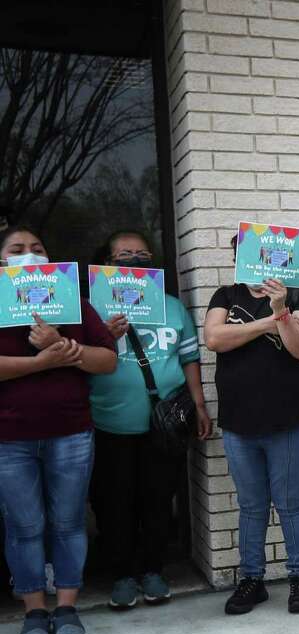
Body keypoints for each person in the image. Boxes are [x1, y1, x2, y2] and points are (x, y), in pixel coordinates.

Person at [0, 226, 117, 634]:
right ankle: (33, 612)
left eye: (37, 249)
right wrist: (42, 362)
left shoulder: (74, 304)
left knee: (68, 522)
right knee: (24, 525)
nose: (28, 255)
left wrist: (63, 345)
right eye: (17, 250)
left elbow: (107, 361)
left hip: (70, 432)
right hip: (9, 437)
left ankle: (67, 608)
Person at [88, 230, 212, 609]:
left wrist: (200, 405)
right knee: (113, 503)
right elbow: (76, 358)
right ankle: (123, 575)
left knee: (159, 500)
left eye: (142, 255)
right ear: (108, 264)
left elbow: (189, 359)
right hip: (109, 425)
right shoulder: (88, 309)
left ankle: (154, 571)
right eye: (124, 255)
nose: (134, 261)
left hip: (164, 426)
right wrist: (104, 336)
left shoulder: (172, 307)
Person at [204, 236, 299, 614]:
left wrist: (282, 312)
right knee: (252, 505)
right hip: (240, 425)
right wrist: (267, 323)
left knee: (291, 503)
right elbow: (214, 338)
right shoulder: (225, 296)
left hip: (291, 421)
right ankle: (251, 580)